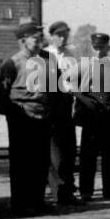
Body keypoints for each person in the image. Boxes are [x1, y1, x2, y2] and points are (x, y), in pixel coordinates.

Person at [0, 22, 53, 216]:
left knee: (41, 161)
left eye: (40, 39)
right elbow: (2, 92)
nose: (39, 43)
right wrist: (14, 114)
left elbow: (54, 89)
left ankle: (38, 201)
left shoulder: (46, 60)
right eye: (35, 39)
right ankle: (20, 204)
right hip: (22, 117)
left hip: (42, 115)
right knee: (22, 162)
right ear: (23, 41)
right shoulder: (12, 62)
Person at [76, 32, 110, 200]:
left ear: (108, 48)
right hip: (91, 117)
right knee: (87, 156)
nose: (98, 52)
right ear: (91, 47)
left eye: (101, 48)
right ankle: (86, 192)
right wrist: (84, 100)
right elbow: (71, 86)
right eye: (95, 48)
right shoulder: (83, 66)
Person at [44, 20, 83, 206]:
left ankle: (68, 191)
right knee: (55, 155)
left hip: (67, 105)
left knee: (69, 151)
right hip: (52, 107)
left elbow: (76, 80)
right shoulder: (45, 55)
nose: (62, 38)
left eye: (65, 35)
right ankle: (58, 192)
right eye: (59, 35)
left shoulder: (71, 56)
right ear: (51, 36)